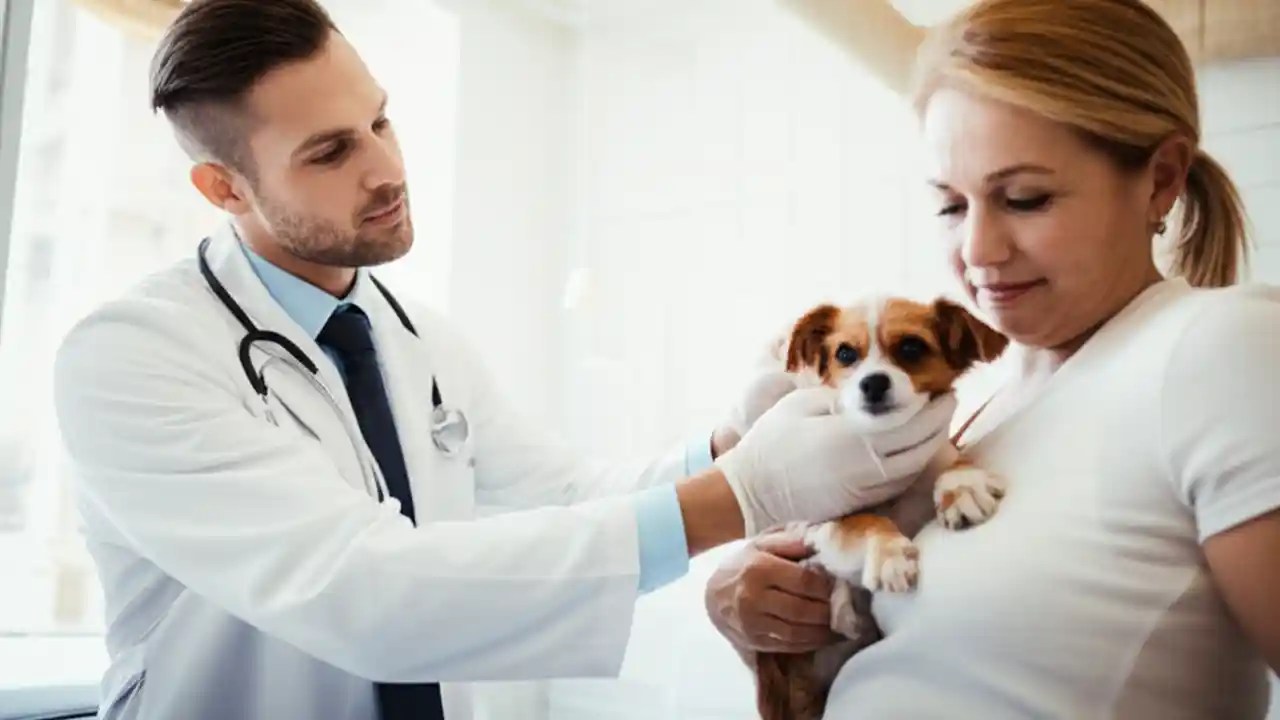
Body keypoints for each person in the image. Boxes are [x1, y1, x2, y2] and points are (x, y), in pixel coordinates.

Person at [48, 1, 958, 719]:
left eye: (380, 121)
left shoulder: (413, 335)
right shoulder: (132, 357)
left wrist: (730, 438)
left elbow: (565, 495)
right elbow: (366, 592)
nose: (386, 169)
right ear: (222, 187)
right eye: (330, 152)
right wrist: (745, 496)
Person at [706, 0, 1280, 717]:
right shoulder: (968, 408)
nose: (976, 252)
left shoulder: (1219, 349)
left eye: (1024, 198)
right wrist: (773, 617)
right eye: (951, 206)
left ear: (1161, 179)